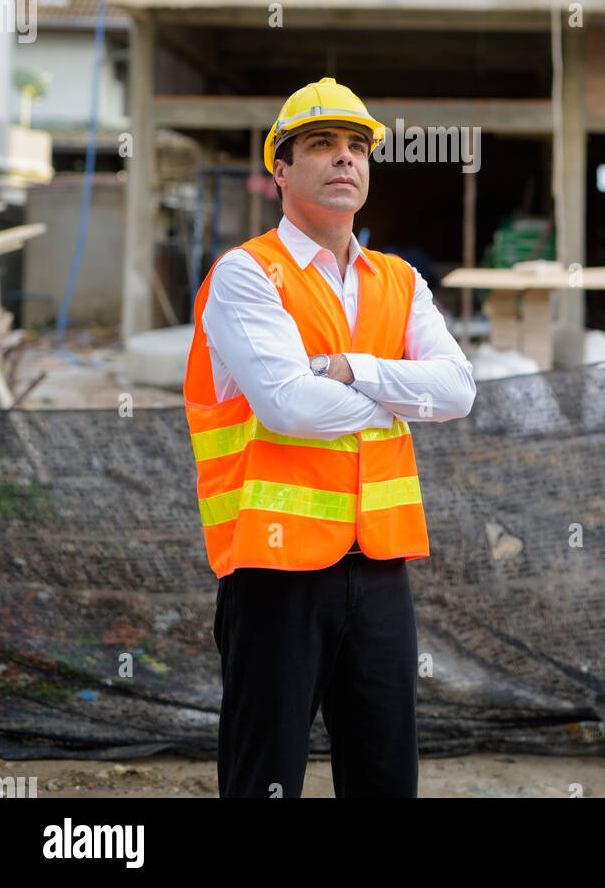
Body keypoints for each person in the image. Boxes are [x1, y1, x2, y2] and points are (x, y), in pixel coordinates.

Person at [183, 76, 476, 799]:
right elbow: (288, 407)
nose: (344, 159)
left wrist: (353, 370)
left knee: (384, 780)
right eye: (320, 145)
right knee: (265, 779)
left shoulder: (400, 281)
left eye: (356, 148)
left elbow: (459, 391)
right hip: (273, 575)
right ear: (280, 171)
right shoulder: (247, 274)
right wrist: (400, 396)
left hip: (379, 568)